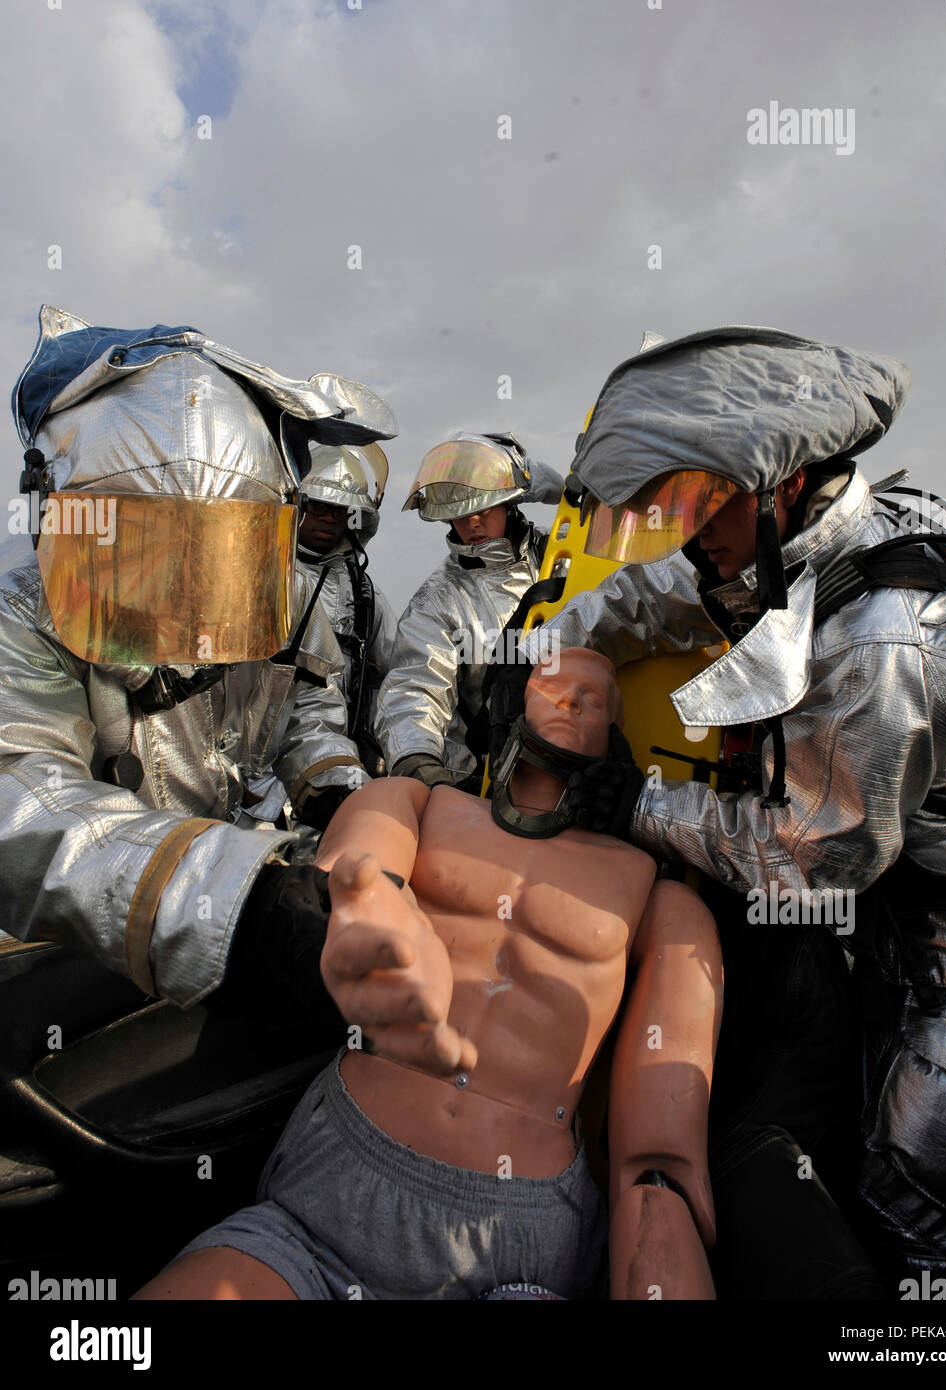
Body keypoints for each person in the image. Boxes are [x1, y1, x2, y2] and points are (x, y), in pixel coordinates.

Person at [510, 327, 946, 1290]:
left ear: (782, 486)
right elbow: (652, 597)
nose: (690, 538)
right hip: (875, 882)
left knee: (932, 1155)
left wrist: (625, 802)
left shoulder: (885, 644)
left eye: (702, 509)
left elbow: (804, 862)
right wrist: (547, 652)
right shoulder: (782, 546)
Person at [133, 648, 723, 1301]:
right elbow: (347, 893)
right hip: (324, 1205)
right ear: (508, 703)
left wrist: (659, 1226)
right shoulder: (416, 804)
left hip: (514, 1252)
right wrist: (369, 916)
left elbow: (659, 1150)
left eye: (594, 695)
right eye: (551, 685)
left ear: (615, 731)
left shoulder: (656, 896)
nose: (572, 700)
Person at [0, 305, 396, 1042]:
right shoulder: (21, 612)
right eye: (142, 533)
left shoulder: (267, 591)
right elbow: (21, 800)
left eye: (210, 537)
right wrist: (244, 905)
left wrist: (332, 786)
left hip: (211, 905)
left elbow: (307, 706)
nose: (183, 568)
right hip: (66, 948)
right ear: (62, 515)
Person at [374, 431, 563, 791]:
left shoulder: (563, 559)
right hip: (485, 785)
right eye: (460, 513)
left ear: (510, 503)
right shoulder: (436, 600)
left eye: (484, 508)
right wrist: (417, 761)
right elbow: (415, 688)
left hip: (579, 767)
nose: (472, 522)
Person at [296, 442, 398, 774]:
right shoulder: (259, 576)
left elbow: (397, 675)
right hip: (258, 765)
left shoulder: (363, 593)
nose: (328, 517)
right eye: (318, 507)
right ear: (297, 505)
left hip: (340, 765)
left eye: (340, 509)